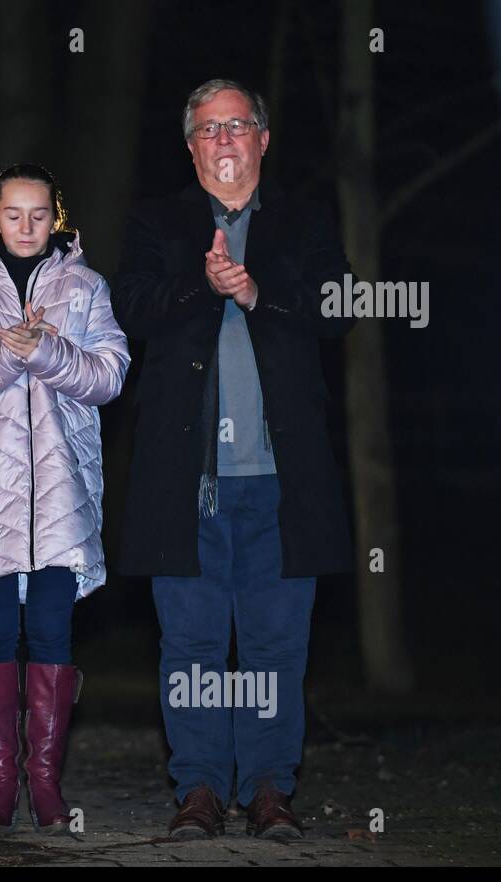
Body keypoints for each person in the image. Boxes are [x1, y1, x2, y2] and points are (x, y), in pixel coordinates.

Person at [112, 79, 356, 839]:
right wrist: (203, 283)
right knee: (190, 642)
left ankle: (270, 789)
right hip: (187, 483)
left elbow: (337, 308)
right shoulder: (156, 223)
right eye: (209, 129)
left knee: (276, 642)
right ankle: (200, 791)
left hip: (284, 479)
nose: (224, 139)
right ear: (190, 147)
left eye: (238, 125)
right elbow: (132, 309)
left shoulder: (307, 223)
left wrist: (256, 293)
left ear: (263, 139)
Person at [0, 164, 129, 833]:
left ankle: (44, 786)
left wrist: (46, 347)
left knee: (50, 635)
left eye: (38, 214)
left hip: (63, 498)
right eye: (12, 213)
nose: (25, 226)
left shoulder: (87, 287)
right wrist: (5, 352)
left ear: (57, 215)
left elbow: (109, 377)